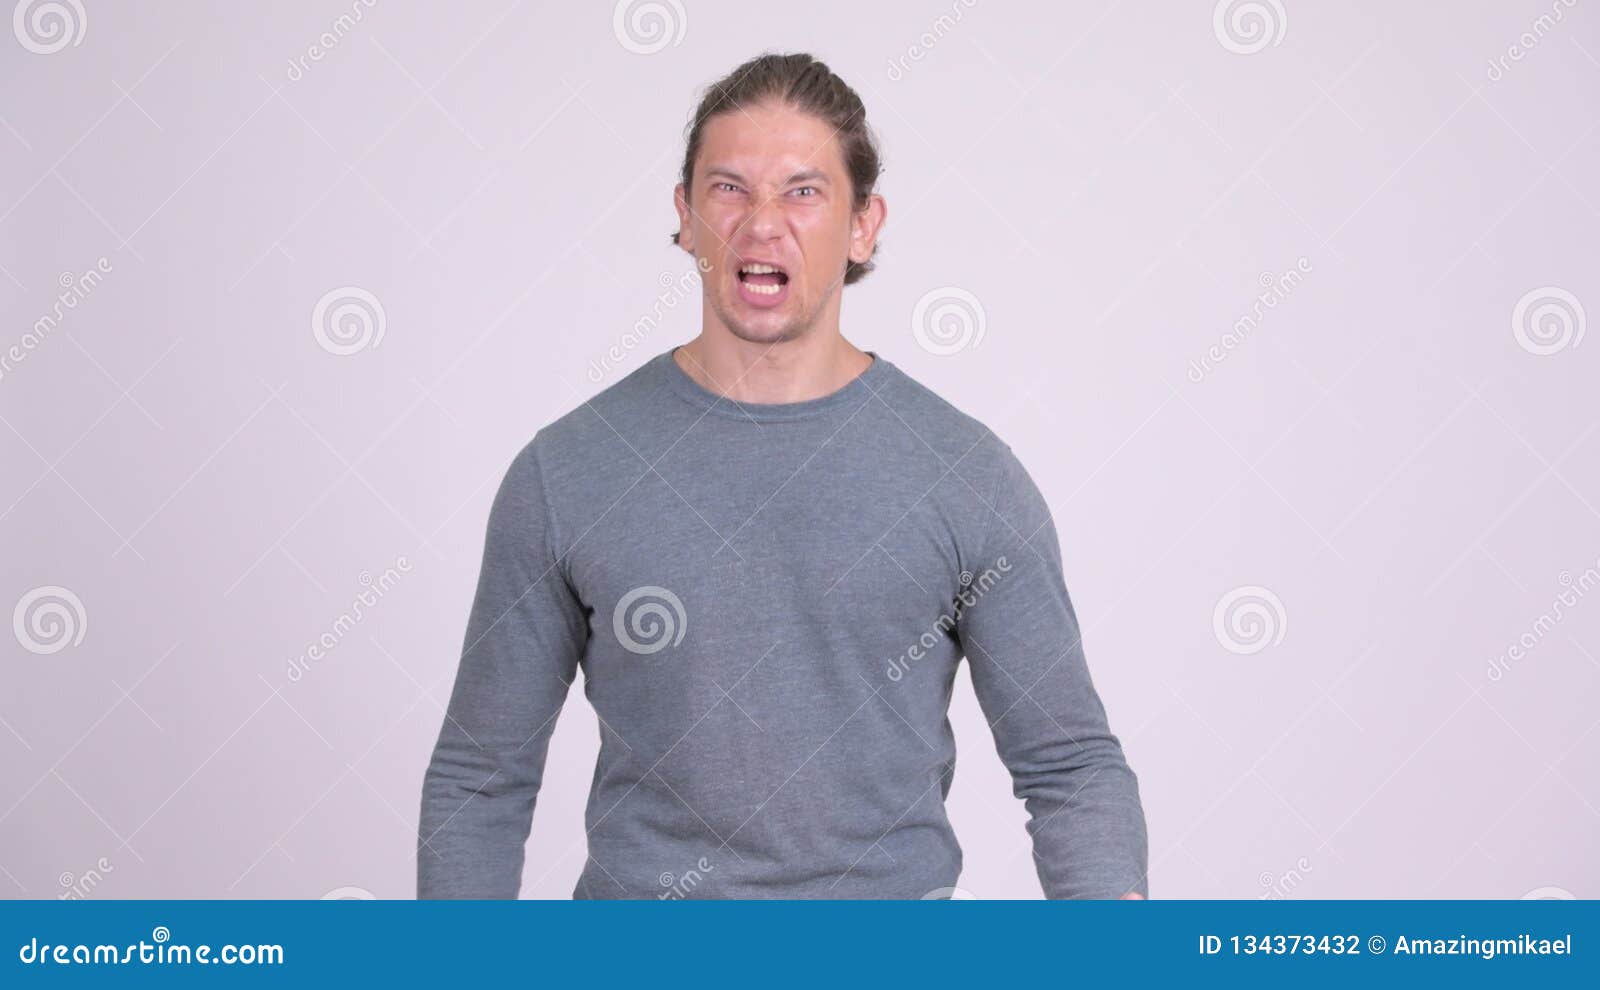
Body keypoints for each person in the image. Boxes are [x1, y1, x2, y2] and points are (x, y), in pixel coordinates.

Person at [418, 51, 1148, 900]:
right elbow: (481, 777)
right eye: (729, 189)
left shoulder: (965, 476)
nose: (762, 224)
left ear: (863, 225)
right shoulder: (568, 470)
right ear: (687, 216)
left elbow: (1069, 767)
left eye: (803, 191)